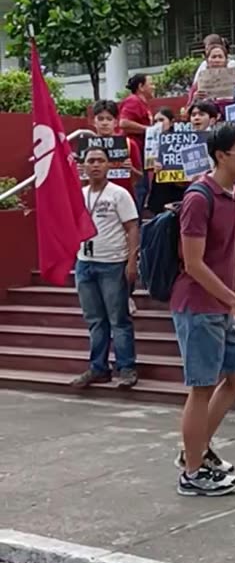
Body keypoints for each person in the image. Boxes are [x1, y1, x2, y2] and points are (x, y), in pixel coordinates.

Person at [170, 121, 235, 496]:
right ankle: (192, 472)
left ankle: (194, 450)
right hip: (198, 305)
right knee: (201, 386)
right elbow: (193, 264)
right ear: (221, 155)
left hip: (219, 303)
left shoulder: (228, 194)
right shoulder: (200, 197)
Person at [71, 146, 139, 390]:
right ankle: (98, 368)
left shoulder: (119, 194)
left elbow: (132, 227)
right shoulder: (79, 194)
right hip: (85, 264)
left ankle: (127, 367)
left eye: (100, 160)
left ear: (109, 165)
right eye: (91, 161)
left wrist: (132, 261)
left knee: (118, 319)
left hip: (113, 264)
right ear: (83, 166)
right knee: (95, 320)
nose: (96, 165)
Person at [89, 100, 143, 195]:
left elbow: (140, 177)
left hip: (123, 198)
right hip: (95, 200)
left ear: (115, 122)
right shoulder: (87, 146)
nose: (104, 123)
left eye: (109, 119)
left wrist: (131, 169)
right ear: (94, 122)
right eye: (100, 119)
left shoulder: (129, 144)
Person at [119, 73, 154, 214]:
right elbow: (123, 123)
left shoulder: (143, 104)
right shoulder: (133, 101)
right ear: (141, 86)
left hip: (143, 151)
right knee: (139, 187)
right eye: (150, 83)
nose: (153, 87)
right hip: (134, 150)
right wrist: (149, 130)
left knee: (144, 186)